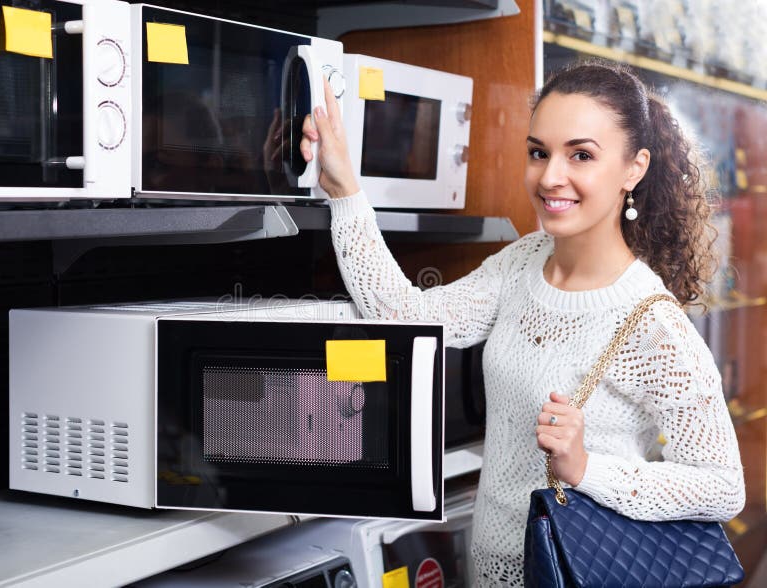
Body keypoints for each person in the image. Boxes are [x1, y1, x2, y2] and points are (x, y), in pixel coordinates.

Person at [300, 60, 746, 587]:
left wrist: (586, 469)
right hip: (494, 566)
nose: (550, 176)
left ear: (634, 168)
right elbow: (405, 314)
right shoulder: (523, 262)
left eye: (580, 155)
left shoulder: (654, 324)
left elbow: (721, 486)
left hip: (581, 570)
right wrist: (345, 189)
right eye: (539, 152)